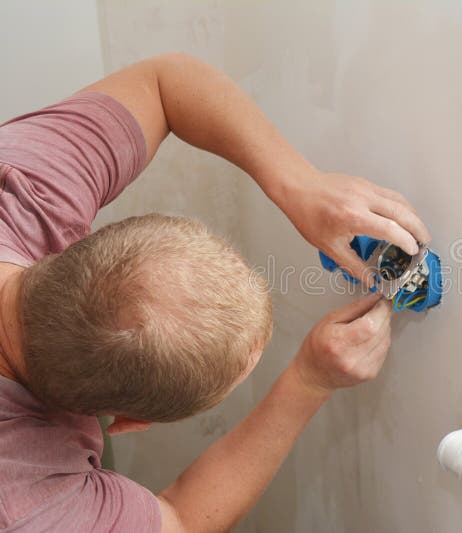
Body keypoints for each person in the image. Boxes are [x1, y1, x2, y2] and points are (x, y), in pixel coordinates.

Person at [0, 52, 430, 532]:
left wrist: (300, 184)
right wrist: (308, 382)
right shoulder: (29, 504)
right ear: (128, 420)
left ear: (81, 239)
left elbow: (166, 85)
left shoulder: (25, 187)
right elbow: (180, 521)